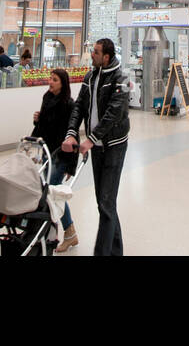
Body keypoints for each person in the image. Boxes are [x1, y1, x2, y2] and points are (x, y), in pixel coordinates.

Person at [62, 38, 129, 256]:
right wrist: (72, 133)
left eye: (96, 52)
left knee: (106, 202)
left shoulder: (120, 78)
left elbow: (114, 113)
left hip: (114, 146)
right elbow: (79, 106)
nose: (92, 54)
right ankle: (116, 251)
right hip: (97, 148)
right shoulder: (91, 76)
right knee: (105, 202)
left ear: (107, 57)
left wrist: (90, 138)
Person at [32, 68, 78, 252]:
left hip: (61, 156)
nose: (50, 82)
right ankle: (60, 233)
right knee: (50, 193)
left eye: (55, 80)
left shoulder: (69, 105)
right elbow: (43, 126)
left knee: (52, 194)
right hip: (46, 153)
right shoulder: (47, 98)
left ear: (63, 83)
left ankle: (69, 233)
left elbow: (72, 134)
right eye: (50, 79)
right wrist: (37, 120)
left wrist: (71, 165)